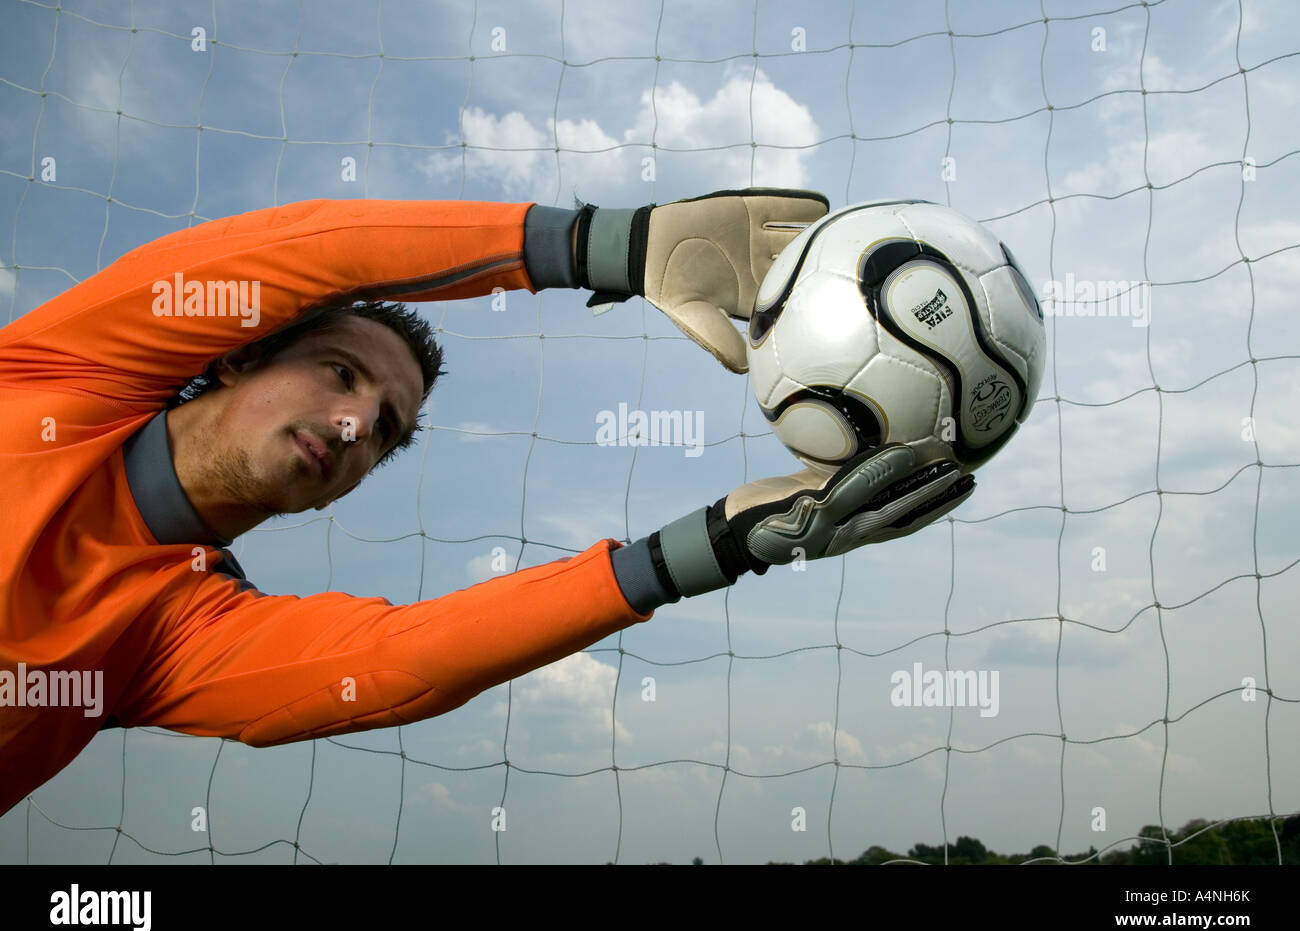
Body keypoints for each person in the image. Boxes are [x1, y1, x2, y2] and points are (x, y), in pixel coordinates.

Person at [0, 190, 972, 815]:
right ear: (238, 353)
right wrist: (608, 245)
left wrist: (715, 546)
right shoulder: (50, 380)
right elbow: (298, 254)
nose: (353, 426)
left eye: (384, 430)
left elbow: (393, 663)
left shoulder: (168, 641)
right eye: (338, 375)